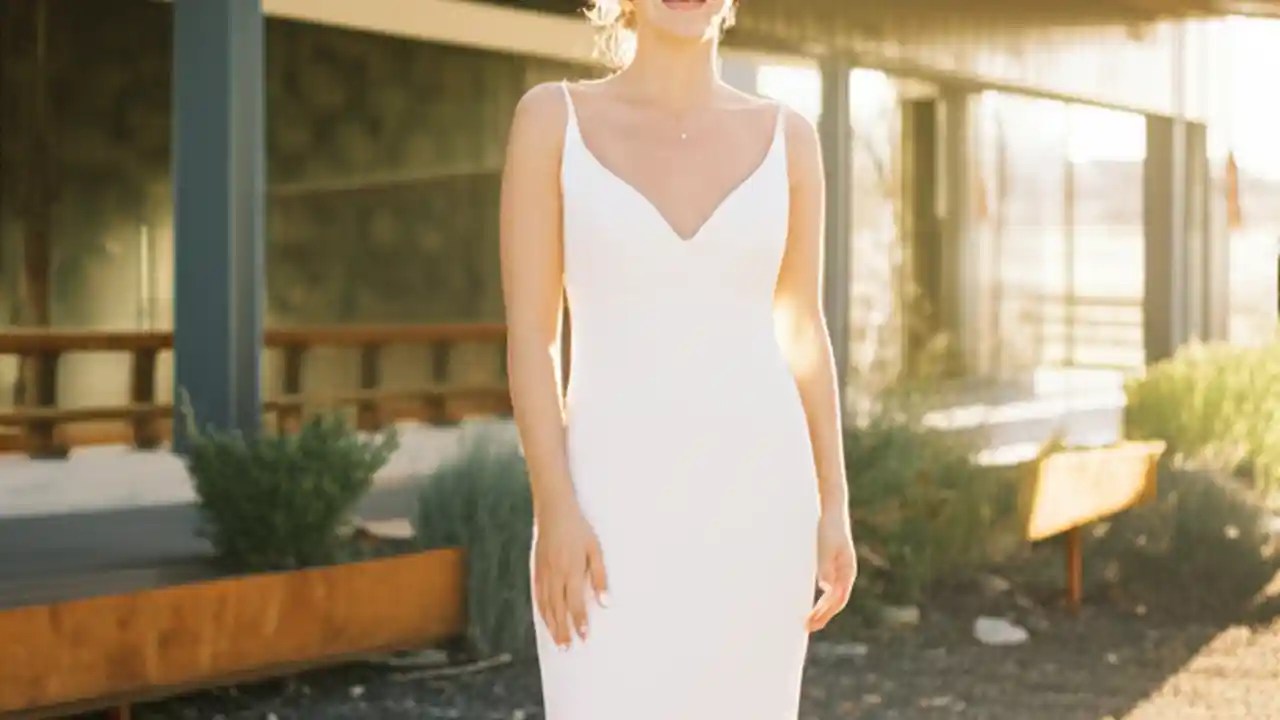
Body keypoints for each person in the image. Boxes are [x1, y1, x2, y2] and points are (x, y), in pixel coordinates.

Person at [498, 0, 857, 716]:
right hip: (605, 512)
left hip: (760, 512)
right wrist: (556, 505)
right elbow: (533, 339)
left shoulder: (791, 139)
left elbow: (802, 327)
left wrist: (834, 502)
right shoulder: (550, 120)